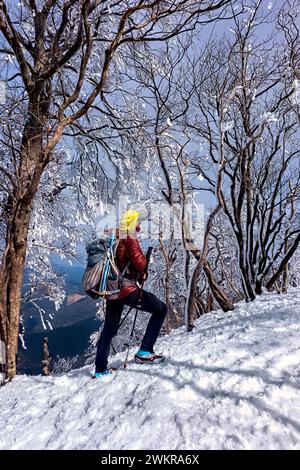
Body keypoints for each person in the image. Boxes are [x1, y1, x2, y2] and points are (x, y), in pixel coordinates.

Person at [94, 209, 168, 378]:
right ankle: (145, 351)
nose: (139, 226)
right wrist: (144, 264)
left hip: (112, 289)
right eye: (137, 223)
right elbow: (140, 264)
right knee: (160, 309)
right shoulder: (129, 237)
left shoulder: (114, 238)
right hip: (127, 290)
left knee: (109, 329)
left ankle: (100, 370)